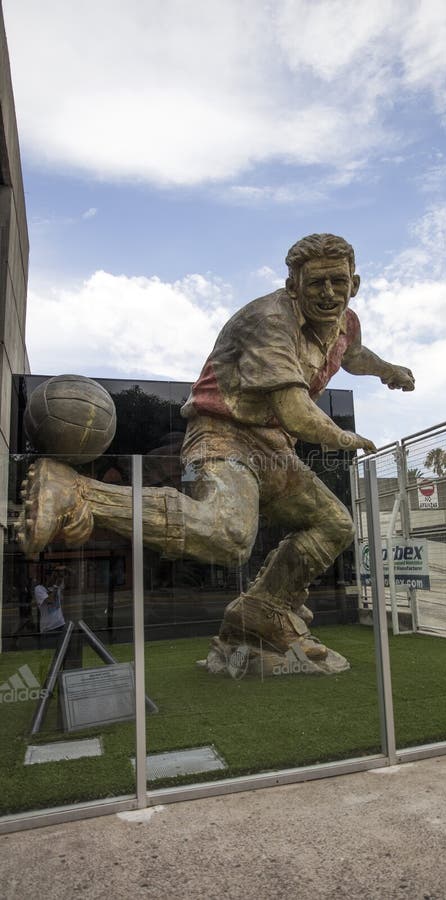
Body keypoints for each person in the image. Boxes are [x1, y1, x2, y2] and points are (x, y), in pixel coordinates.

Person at [17, 234, 414, 663]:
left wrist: (385, 369)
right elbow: (295, 410)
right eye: (316, 283)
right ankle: (79, 490)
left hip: (273, 445)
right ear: (293, 284)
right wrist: (343, 437)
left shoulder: (344, 320)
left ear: (354, 283)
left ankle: (262, 609)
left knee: (335, 526)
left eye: (338, 282)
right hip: (224, 432)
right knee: (229, 534)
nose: (329, 293)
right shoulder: (270, 320)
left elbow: (350, 352)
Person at [34, 566, 66, 649]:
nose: (54, 578)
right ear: (46, 577)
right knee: (49, 655)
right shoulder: (39, 589)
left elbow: (73, 574)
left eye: (55, 576)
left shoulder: (56, 586)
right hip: (48, 629)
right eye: (53, 576)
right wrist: (56, 586)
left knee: (62, 653)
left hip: (60, 625)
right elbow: (50, 600)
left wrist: (64, 568)